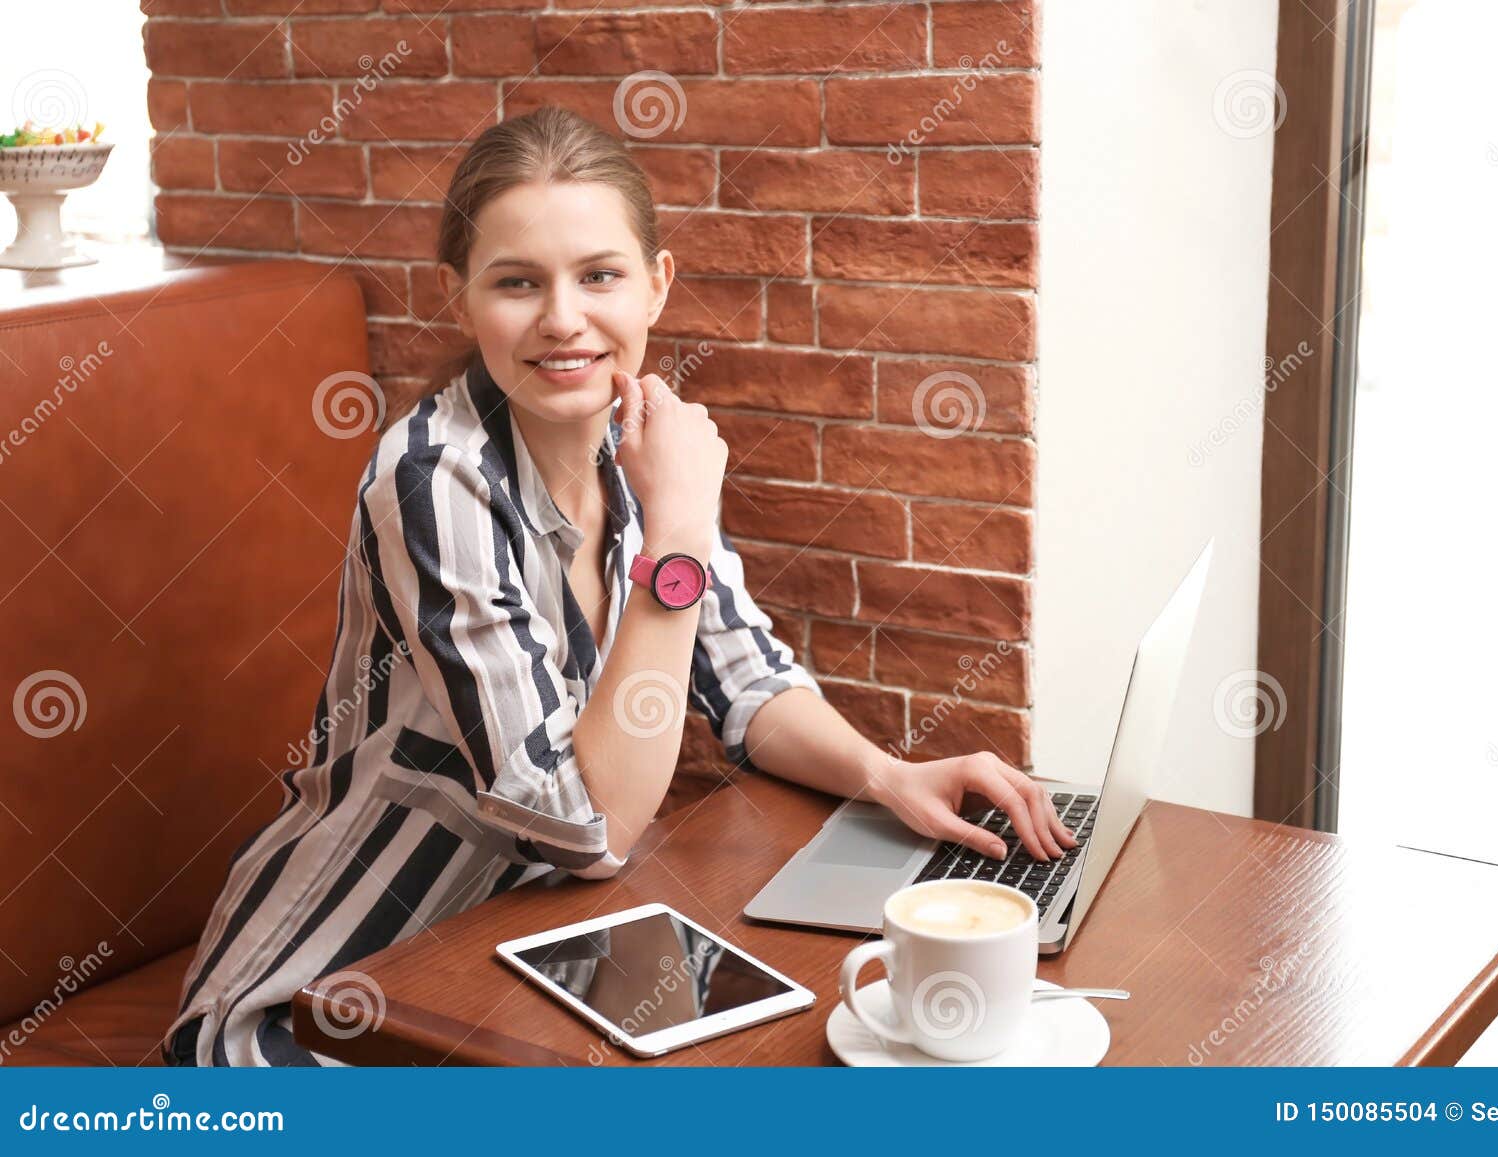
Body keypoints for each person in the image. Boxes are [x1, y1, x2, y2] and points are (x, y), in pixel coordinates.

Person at [161, 106, 1075, 1067]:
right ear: (459, 299)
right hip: (327, 1005)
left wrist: (889, 776)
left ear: (656, 286)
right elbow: (586, 828)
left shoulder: (638, 446)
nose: (563, 318)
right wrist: (675, 534)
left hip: (526, 963)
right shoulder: (433, 479)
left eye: (599, 275)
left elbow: (747, 682)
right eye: (518, 281)